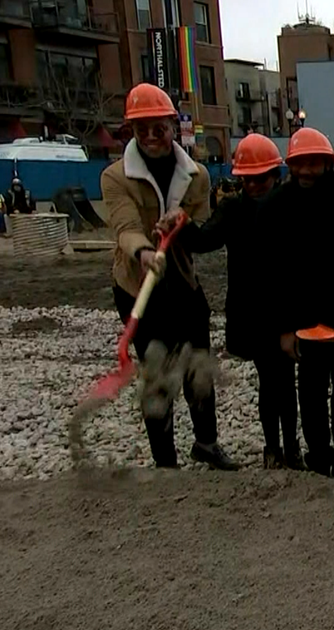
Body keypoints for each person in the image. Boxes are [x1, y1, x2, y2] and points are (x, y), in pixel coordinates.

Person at [100, 82, 238, 470]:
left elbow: (198, 226)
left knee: (198, 366)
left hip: (182, 281)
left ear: (172, 126)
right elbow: (125, 227)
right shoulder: (115, 177)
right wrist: (144, 252)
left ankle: (206, 443)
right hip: (137, 287)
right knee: (157, 374)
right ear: (131, 130)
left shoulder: (196, 175)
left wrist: (183, 223)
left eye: (158, 127)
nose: (151, 136)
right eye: (141, 128)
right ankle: (165, 461)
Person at [161, 134, 300, 470]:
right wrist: (182, 225)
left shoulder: (288, 205)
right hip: (252, 311)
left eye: (260, 178)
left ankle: (292, 447)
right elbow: (204, 240)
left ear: (275, 175)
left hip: (286, 306)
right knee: (271, 381)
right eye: (247, 179)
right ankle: (273, 448)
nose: (253, 185)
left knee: (286, 383)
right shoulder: (233, 209)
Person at [266, 127, 334, 477]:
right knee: (311, 391)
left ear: (327, 163)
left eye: (313, 163)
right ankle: (319, 455)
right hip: (304, 320)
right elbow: (274, 273)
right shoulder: (278, 205)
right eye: (299, 163)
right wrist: (284, 328)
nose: (306, 170)